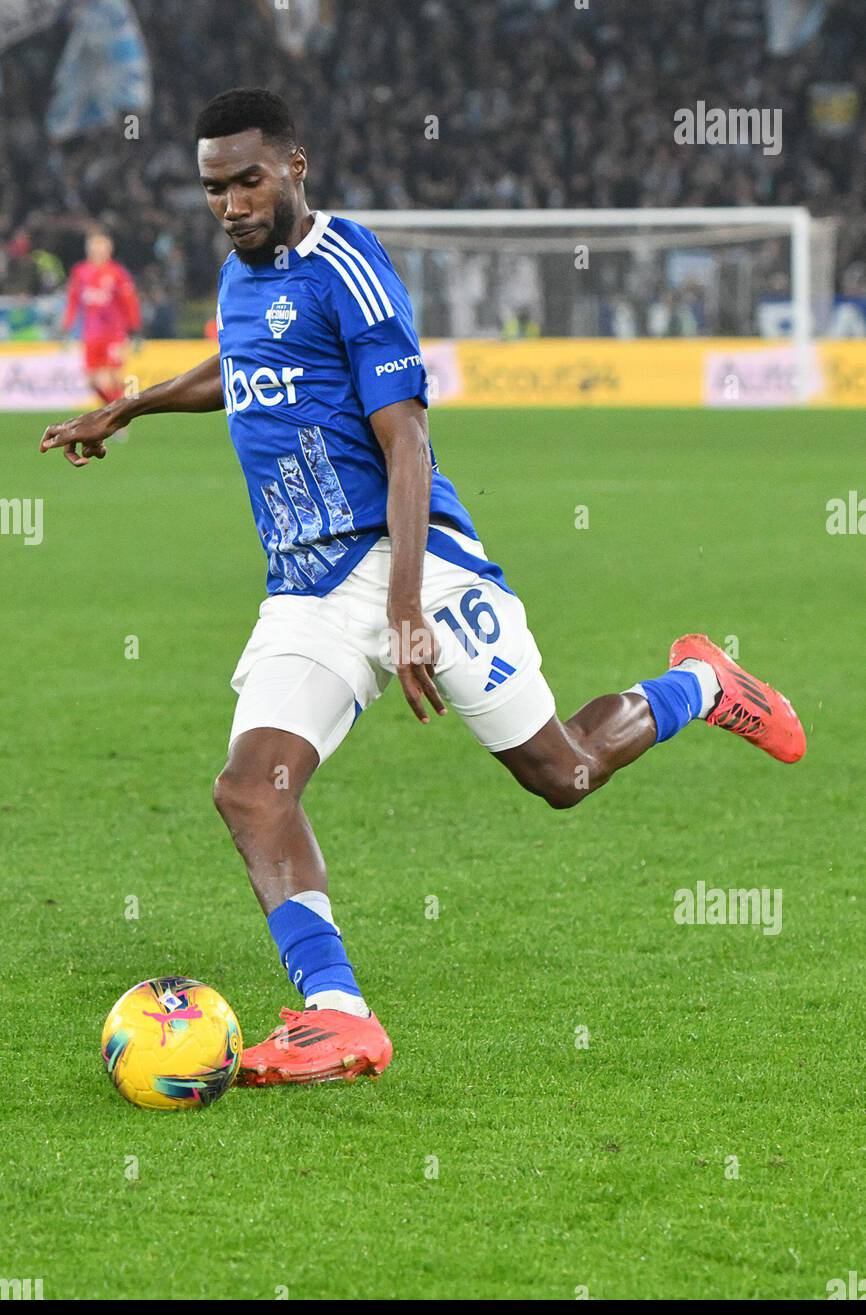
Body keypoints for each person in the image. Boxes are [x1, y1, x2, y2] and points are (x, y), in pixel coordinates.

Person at [39, 88, 806, 1088]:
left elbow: (406, 441)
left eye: (247, 180)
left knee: (560, 774)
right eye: (213, 187)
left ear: (294, 166)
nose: (229, 202)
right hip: (305, 586)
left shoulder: (347, 264)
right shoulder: (240, 276)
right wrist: (130, 406)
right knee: (249, 790)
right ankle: (338, 1014)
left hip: (415, 563)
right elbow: (243, 365)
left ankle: (700, 686)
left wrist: (405, 610)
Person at [61, 231, 142, 405]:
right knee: (91, 380)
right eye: (94, 247)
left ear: (109, 249)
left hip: (114, 332)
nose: (98, 251)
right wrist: (67, 326)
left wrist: (134, 329)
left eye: (102, 247)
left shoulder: (117, 273)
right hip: (90, 333)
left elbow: (129, 302)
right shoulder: (80, 272)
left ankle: (118, 417)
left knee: (110, 376)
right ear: (88, 249)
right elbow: (73, 301)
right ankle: (116, 411)